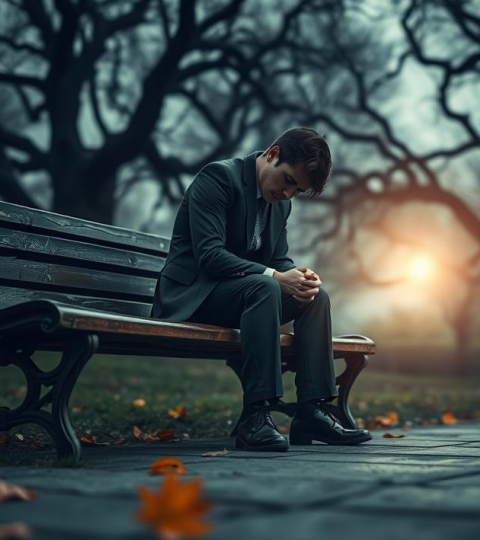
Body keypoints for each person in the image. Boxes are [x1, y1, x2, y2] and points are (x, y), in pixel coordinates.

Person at [151, 127, 371, 451]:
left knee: (315, 298)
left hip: (243, 295)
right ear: (272, 154)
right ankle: (256, 416)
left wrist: (297, 276)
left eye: (297, 191)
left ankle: (313, 410)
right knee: (265, 288)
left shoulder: (280, 204)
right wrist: (275, 276)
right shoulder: (218, 179)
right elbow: (210, 256)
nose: (288, 194)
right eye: (288, 181)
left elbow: (278, 259)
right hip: (193, 295)